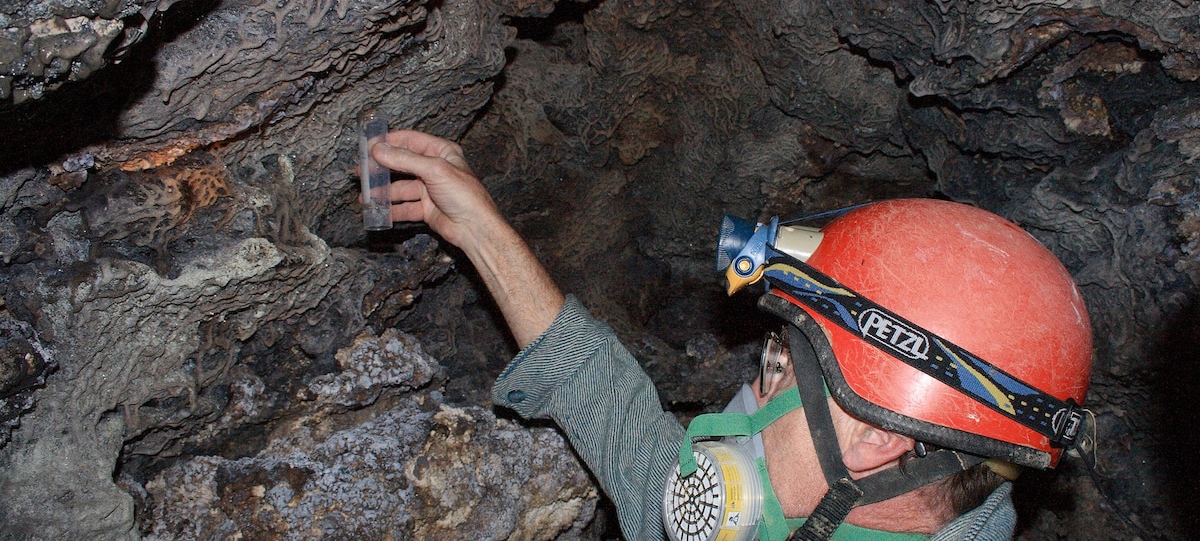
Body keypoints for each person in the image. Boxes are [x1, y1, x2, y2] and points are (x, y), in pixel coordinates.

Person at [370, 130, 1094, 541]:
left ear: (879, 439)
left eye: (783, 360)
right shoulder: (794, 516)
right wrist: (479, 229)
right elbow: (614, 414)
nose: (755, 383)